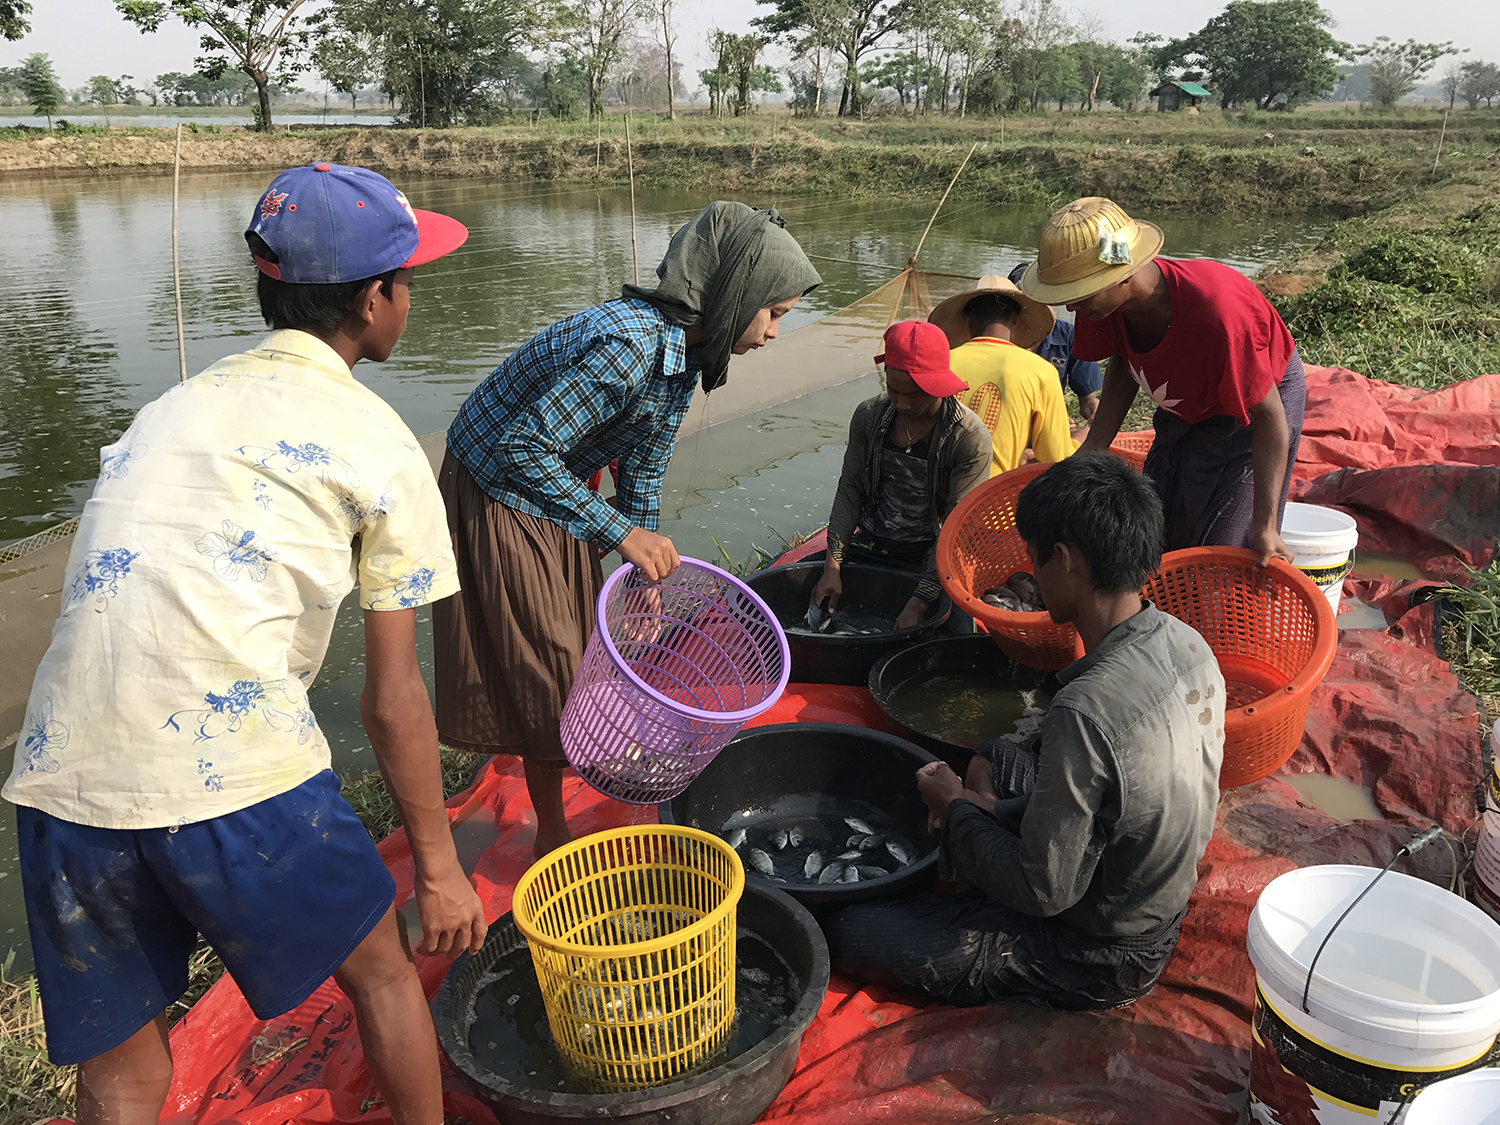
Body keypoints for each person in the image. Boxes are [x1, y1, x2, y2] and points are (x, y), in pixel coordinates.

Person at [3, 162, 486, 1125]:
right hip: (231, 775)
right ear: (372, 298)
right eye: (407, 283)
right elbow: (392, 698)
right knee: (384, 973)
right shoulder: (379, 441)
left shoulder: (170, 407)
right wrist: (437, 865)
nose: (408, 302)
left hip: (60, 776)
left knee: (123, 1066)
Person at [437, 202, 820, 858]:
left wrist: (643, 570)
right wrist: (620, 535)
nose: (777, 332)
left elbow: (642, 468)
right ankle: (550, 828)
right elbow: (524, 448)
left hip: (554, 477)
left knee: (579, 641)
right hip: (497, 480)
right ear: (736, 295)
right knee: (552, 662)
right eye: (775, 313)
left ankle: (551, 800)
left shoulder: (683, 357)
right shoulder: (630, 346)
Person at [824, 452, 1225, 1010]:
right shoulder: (1188, 642)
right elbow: (1122, 803)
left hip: (1100, 951)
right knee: (997, 756)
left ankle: (973, 848)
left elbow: (1046, 890)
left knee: (852, 931)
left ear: (1065, 561)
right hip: (1145, 883)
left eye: (1036, 560)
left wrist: (957, 806)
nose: (1033, 577)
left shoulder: (1085, 711)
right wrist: (986, 810)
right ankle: (977, 834)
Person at [1017, 196, 1305, 564]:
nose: (1071, 308)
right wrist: (1095, 446)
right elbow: (1124, 359)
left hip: (1251, 415)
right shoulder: (1102, 303)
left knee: (1221, 548)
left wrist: (1264, 526)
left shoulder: (1218, 313)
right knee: (1156, 527)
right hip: (1186, 402)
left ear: (1120, 275)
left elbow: (1270, 419)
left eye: (1077, 296)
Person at [810, 320, 991, 631]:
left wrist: (920, 600)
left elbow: (956, 528)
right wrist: (833, 564)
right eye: (894, 390)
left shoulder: (968, 437)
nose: (904, 403)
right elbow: (850, 489)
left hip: (934, 559)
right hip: (874, 545)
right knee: (801, 595)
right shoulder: (869, 417)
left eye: (917, 394)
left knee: (957, 640)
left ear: (939, 385)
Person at [927, 275, 1075, 475]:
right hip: (991, 499)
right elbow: (1056, 459)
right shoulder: (1040, 371)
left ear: (967, 317)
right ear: (1017, 318)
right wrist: (1082, 438)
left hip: (928, 487)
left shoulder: (940, 362)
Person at [1007, 261, 1103, 422]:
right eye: (1024, 300)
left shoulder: (1069, 336)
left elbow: (1087, 400)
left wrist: (1092, 408)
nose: (1031, 308)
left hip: (1047, 432)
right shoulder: (997, 336)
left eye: (1038, 300)